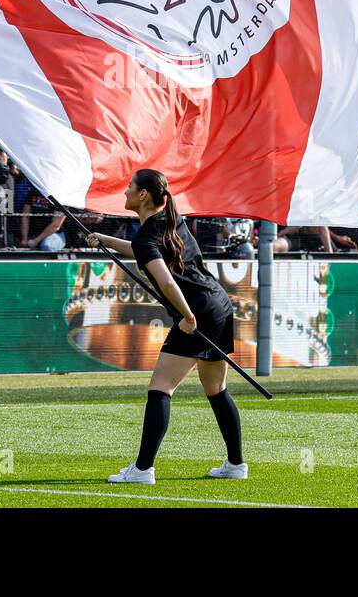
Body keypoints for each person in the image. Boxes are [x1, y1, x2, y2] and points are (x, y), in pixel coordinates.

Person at [87, 169, 244, 485]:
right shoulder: (172, 220)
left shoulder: (148, 236)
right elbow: (145, 251)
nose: (126, 193)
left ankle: (143, 470)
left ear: (143, 195)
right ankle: (236, 464)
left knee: (160, 387)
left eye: (130, 188)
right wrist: (105, 240)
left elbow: (165, 279)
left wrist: (186, 316)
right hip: (219, 304)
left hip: (197, 311)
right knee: (216, 389)